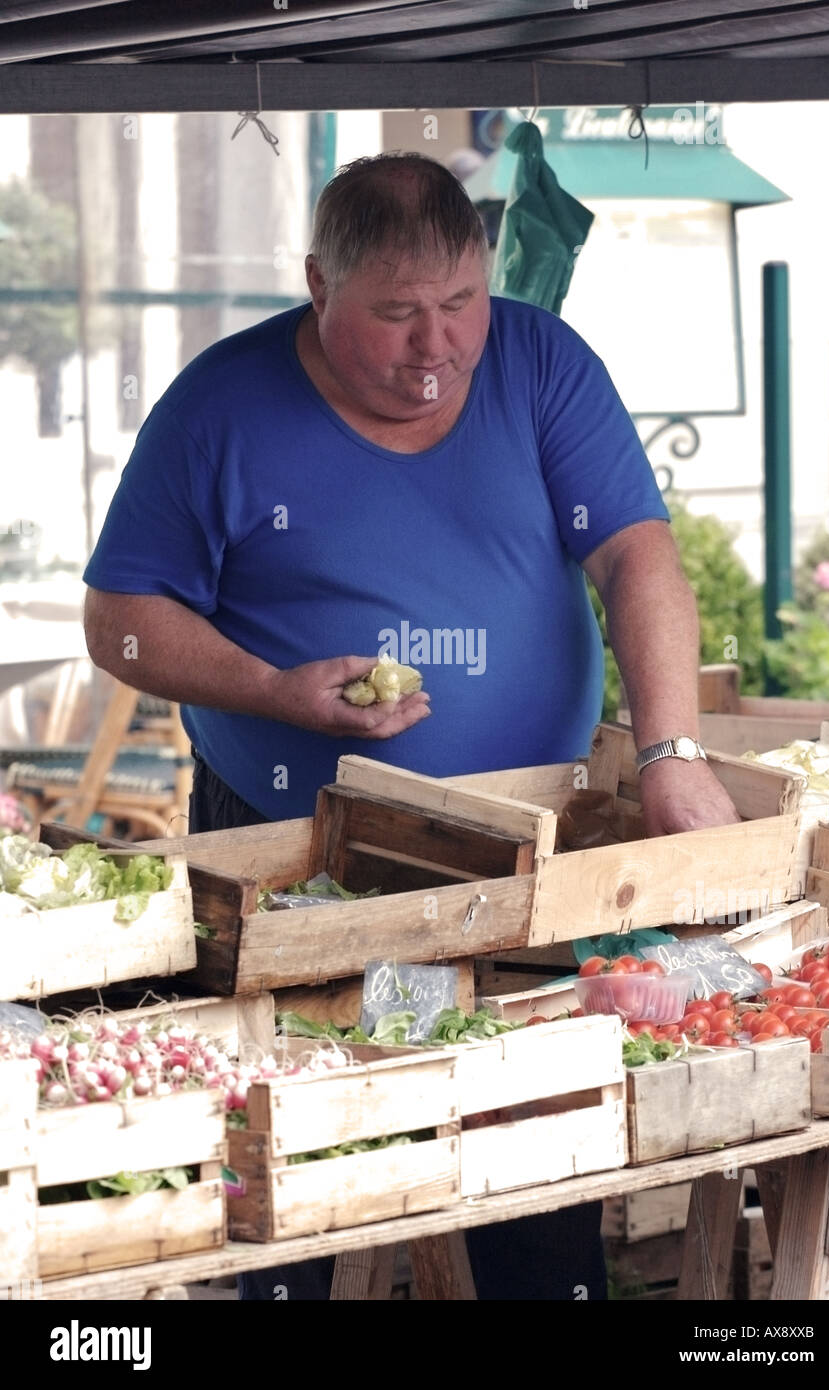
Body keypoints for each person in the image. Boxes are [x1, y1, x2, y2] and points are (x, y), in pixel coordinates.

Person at [83, 150, 739, 1300]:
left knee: (532, 1166)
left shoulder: (540, 365)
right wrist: (273, 687)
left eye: (460, 306)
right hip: (288, 850)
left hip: (519, 845)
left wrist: (671, 750)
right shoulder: (220, 407)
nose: (436, 346)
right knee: (296, 1179)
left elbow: (638, 553)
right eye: (396, 315)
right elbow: (121, 624)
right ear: (317, 288)